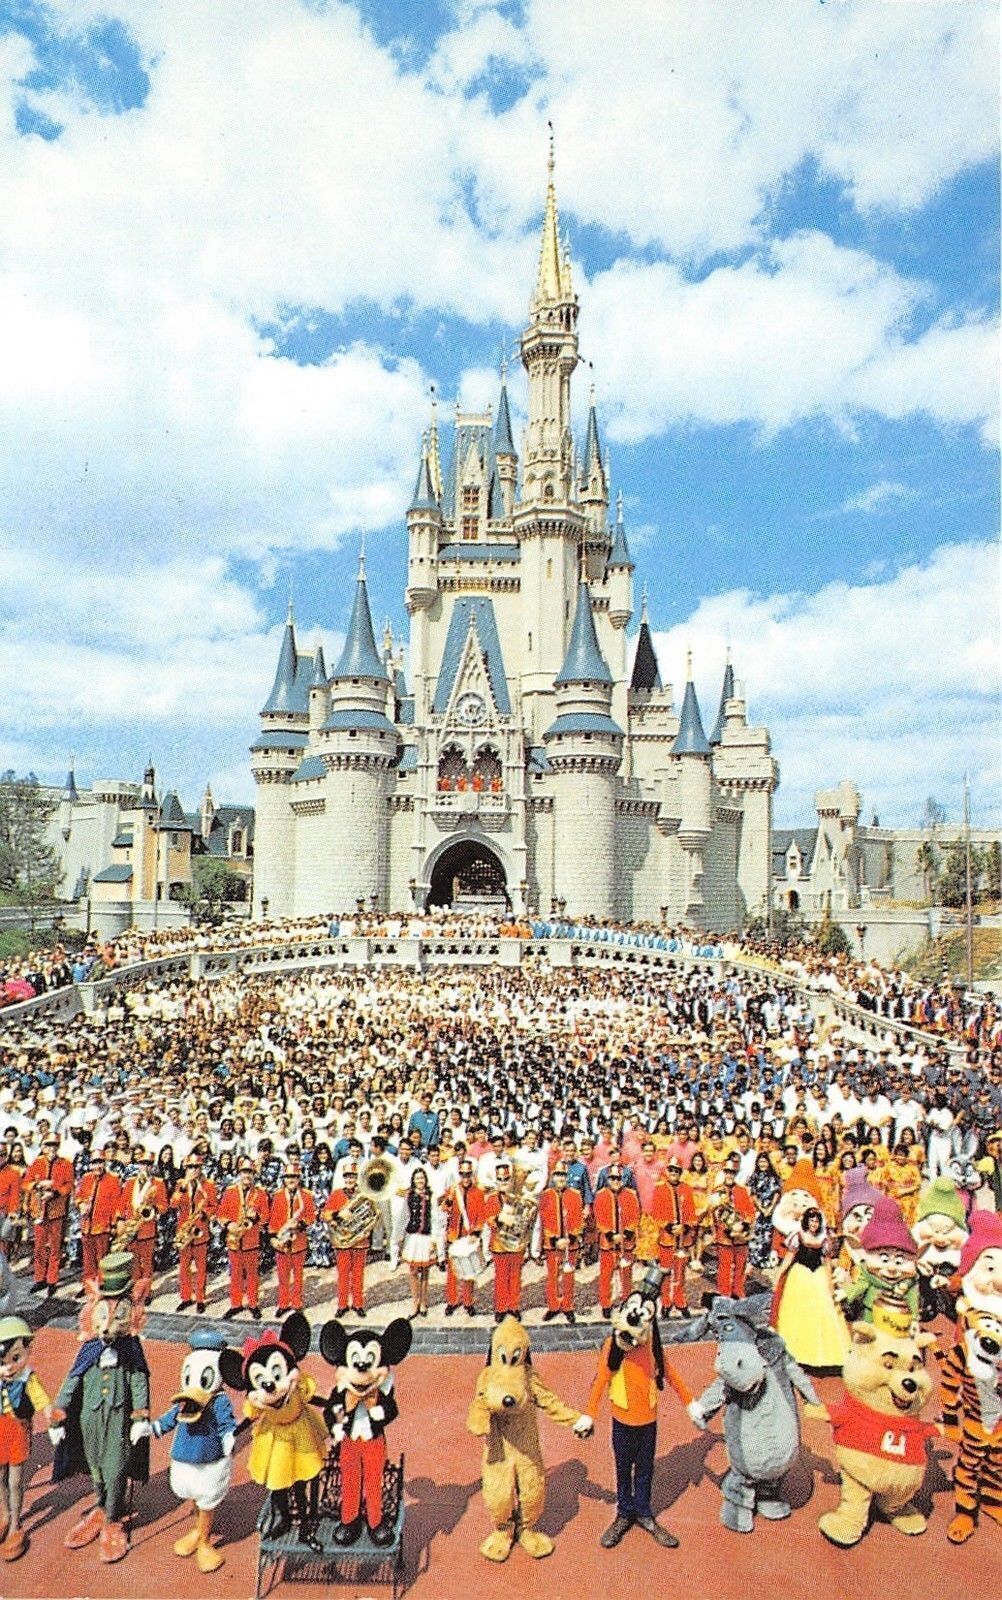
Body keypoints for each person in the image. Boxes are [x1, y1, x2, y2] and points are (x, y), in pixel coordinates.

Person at [772, 1207, 849, 1373]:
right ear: (806, 1221)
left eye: (816, 1221)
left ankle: (823, 1357)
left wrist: (830, 1285)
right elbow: (789, 1258)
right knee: (800, 1314)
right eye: (811, 1220)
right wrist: (779, 1275)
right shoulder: (798, 1236)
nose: (814, 1224)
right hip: (800, 1276)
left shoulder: (824, 1239)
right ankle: (797, 1353)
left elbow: (827, 1263)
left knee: (822, 1312)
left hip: (818, 1276)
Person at [216, 1159, 269, 1321]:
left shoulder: (260, 1194)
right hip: (234, 1239)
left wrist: (255, 1218)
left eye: (250, 1173)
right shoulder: (230, 1192)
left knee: (252, 1274)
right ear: (239, 1174)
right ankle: (235, 1304)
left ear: (254, 1175)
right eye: (244, 1172)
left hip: (251, 1239)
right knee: (236, 1274)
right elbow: (221, 1213)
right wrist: (228, 1224)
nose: (247, 1175)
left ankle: (253, 1304)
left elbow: (266, 1217)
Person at [322, 1164, 376, 1317]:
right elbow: (325, 1215)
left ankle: (358, 1304)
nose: (349, 1179)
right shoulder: (336, 1194)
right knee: (343, 1274)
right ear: (343, 1178)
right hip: (342, 1240)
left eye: (352, 1176)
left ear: (357, 1177)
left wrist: (367, 1229)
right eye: (347, 1176)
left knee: (358, 1273)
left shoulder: (364, 1194)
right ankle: (342, 1304)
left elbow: (373, 1214)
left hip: (359, 1240)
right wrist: (337, 1215)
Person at [23, 1135, 73, 1296]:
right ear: (43, 1147)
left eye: (54, 1145)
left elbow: (69, 1185)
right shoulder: (36, 1163)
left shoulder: (65, 1164)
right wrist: (38, 1185)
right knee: (39, 1247)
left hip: (56, 1211)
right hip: (39, 1210)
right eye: (48, 1145)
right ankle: (39, 1278)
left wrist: (55, 1192)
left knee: (55, 1247)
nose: (51, 1148)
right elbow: (25, 1183)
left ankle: (52, 1279)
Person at [170, 1153, 217, 1314]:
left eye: (196, 1167)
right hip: (184, 1231)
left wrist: (204, 1214)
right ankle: (185, 1297)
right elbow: (173, 1203)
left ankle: (200, 1299)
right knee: (184, 1267)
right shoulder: (179, 1184)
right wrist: (184, 1186)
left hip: (200, 1231)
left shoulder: (208, 1185)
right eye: (190, 1167)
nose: (194, 1170)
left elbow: (213, 1206)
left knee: (201, 1267)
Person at [650, 1157, 696, 1318]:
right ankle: (666, 1302)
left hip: (682, 1238)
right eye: (671, 1170)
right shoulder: (660, 1189)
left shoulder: (687, 1189)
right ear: (666, 1171)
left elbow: (691, 1212)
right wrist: (669, 1227)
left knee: (680, 1272)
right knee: (666, 1272)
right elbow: (656, 1213)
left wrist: (685, 1227)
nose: (673, 1173)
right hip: (667, 1238)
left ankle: (680, 1300)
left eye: (676, 1170)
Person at [441, 1159, 487, 1318]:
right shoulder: (453, 1190)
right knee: (452, 1272)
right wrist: (448, 1200)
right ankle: (452, 1301)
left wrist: (476, 1234)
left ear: (472, 1173)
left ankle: (468, 1302)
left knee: (468, 1270)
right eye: (462, 1174)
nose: (465, 1177)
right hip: (454, 1234)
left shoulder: (479, 1192)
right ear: (459, 1174)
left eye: (468, 1174)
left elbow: (482, 1215)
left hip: (469, 1237)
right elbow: (444, 1209)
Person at [539, 1161, 584, 1323]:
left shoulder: (575, 1194)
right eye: (557, 1174)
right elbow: (544, 1220)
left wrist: (570, 1237)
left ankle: (568, 1306)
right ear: (553, 1176)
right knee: (552, 1276)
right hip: (552, 1243)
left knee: (568, 1275)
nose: (560, 1178)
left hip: (569, 1243)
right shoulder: (545, 1195)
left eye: (563, 1175)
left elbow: (578, 1220)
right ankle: (553, 1306)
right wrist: (554, 1239)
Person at [114, 1150, 168, 1284]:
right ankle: (136, 1289)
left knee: (147, 1263)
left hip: (147, 1228)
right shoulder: (131, 1182)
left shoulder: (158, 1183)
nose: (146, 1167)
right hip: (131, 1227)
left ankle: (145, 1291)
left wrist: (154, 1209)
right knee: (134, 1262)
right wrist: (120, 1220)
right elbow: (122, 1203)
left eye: (149, 1164)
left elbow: (164, 1206)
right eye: (143, 1164)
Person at [593, 1165, 639, 1319]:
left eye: (618, 1178)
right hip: (608, 1242)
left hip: (626, 1242)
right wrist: (611, 1235)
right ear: (608, 1179)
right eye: (612, 1178)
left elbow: (635, 1215)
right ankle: (606, 1304)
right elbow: (599, 1217)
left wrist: (626, 1233)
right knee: (606, 1276)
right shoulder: (600, 1195)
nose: (615, 1181)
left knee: (626, 1273)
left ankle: (626, 1300)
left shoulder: (630, 1195)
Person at [268, 1163, 315, 1315]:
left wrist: (299, 1224)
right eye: (288, 1177)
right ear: (283, 1179)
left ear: (299, 1178)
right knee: (282, 1275)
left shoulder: (306, 1196)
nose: (291, 1179)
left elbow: (311, 1216)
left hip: (298, 1241)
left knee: (298, 1275)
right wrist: (274, 1238)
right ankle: (283, 1303)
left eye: (294, 1176)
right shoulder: (277, 1195)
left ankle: (296, 1303)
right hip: (282, 1240)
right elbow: (273, 1218)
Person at [710, 1151, 756, 1299]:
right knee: (724, 1266)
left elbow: (750, 1212)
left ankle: (738, 1290)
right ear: (724, 1173)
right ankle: (724, 1292)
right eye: (727, 1172)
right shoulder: (717, 1191)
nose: (730, 1175)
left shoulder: (742, 1190)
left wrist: (744, 1224)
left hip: (741, 1235)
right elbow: (715, 1214)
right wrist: (727, 1228)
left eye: (732, 1172)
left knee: (740, 1265)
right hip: (725, 1235)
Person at [75, 1150, 122, 1286]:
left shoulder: (113, 1180)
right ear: (90, 1165)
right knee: (88, 1259)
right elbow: (78, 1195)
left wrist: (113, 1225)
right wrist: (81, 1204)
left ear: (105, 1163)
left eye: (100, 1162)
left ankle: (102, 1285)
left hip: (102, 1226)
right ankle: (89, 1286)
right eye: (95, 1163)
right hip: (86, 1225)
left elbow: (116, 1205)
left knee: (102, 1259)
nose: (97, 1166)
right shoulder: (86, 1178)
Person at [400, 1167, 435, 1318]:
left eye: (422, 1178)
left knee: (425, 1271)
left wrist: (435, 1240)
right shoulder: (409, 1196)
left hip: (426, 1237)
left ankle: (423, 1302)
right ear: (413, 1180)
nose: (420, 1181)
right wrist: (399, 1239)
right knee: (413, 1271)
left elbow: (435, 1218)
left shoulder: (431, 1195)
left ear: (425, 1180)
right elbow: (404, 1216)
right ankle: (415, 1301)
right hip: (413, 1237)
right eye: (417, 1178)